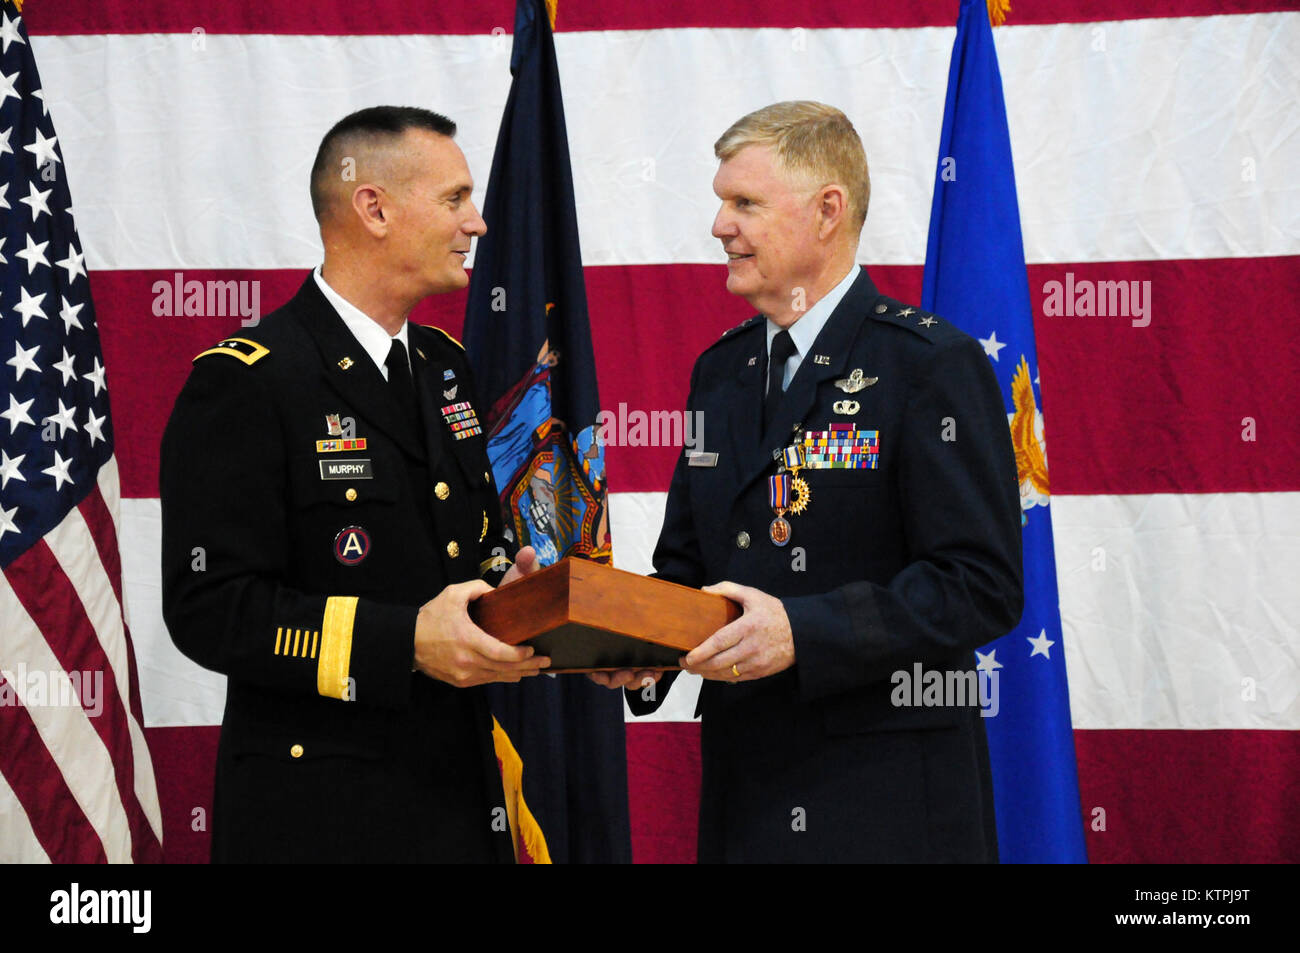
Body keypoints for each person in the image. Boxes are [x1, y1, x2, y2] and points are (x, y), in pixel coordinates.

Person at [594, 101, 1024, 862]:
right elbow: (689, 566)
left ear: (828, 210)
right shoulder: (718, 374)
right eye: (721, 202)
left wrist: (803, 632)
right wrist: (633, 639)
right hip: (747, 795)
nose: (720, 226)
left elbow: (981, 583)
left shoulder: (927, 365)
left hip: (886, 803)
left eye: (744, 203)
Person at [160, 106, 549, 863]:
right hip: (320, 818)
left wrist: (511, 591)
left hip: (458, 798)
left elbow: (462, 549)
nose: (478, 223)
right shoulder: (248, 381)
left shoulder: (443, 365)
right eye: (454, 199)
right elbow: (210, 608)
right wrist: (402, 642)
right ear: (372, 206)